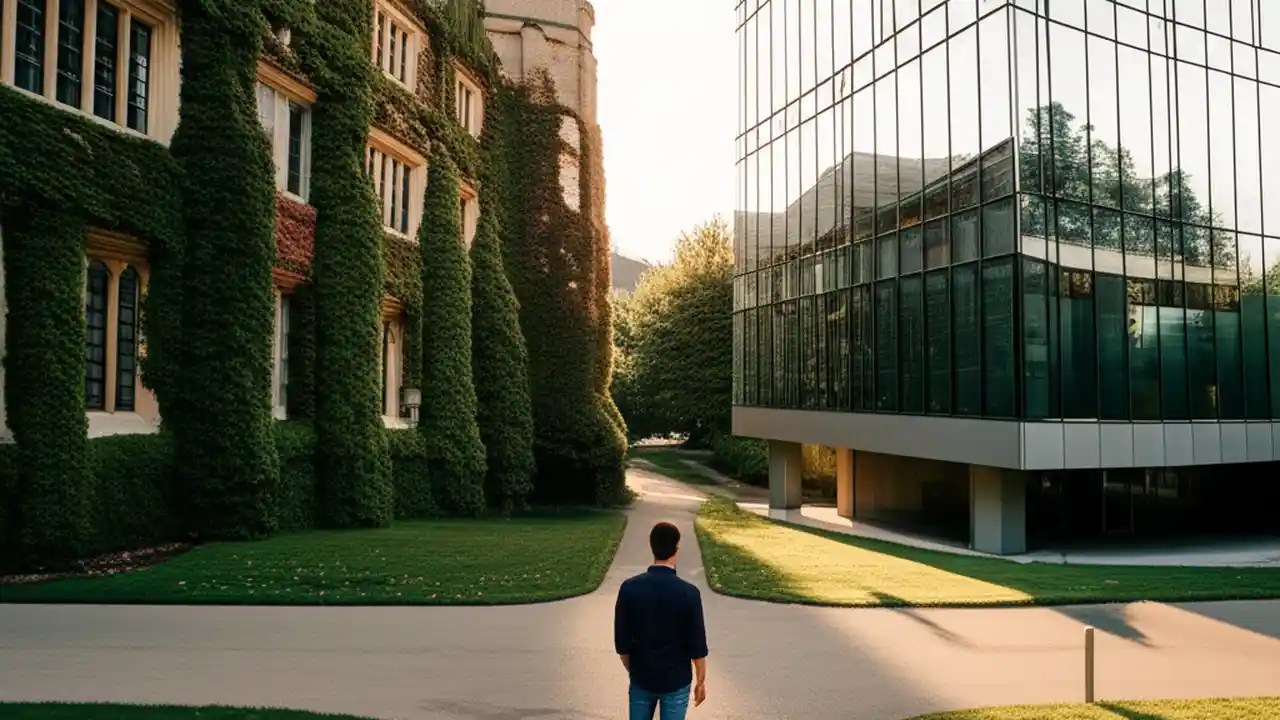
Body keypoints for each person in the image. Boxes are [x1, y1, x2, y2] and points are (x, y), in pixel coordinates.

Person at [613, 521, 709, 720]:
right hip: (676, 679)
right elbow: (697, 646)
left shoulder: (629, 588)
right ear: (676, 549)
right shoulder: (689, 593)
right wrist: (701, 681)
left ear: (652, 546)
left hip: (642, 677)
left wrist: (637, 670)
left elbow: (622, 644)